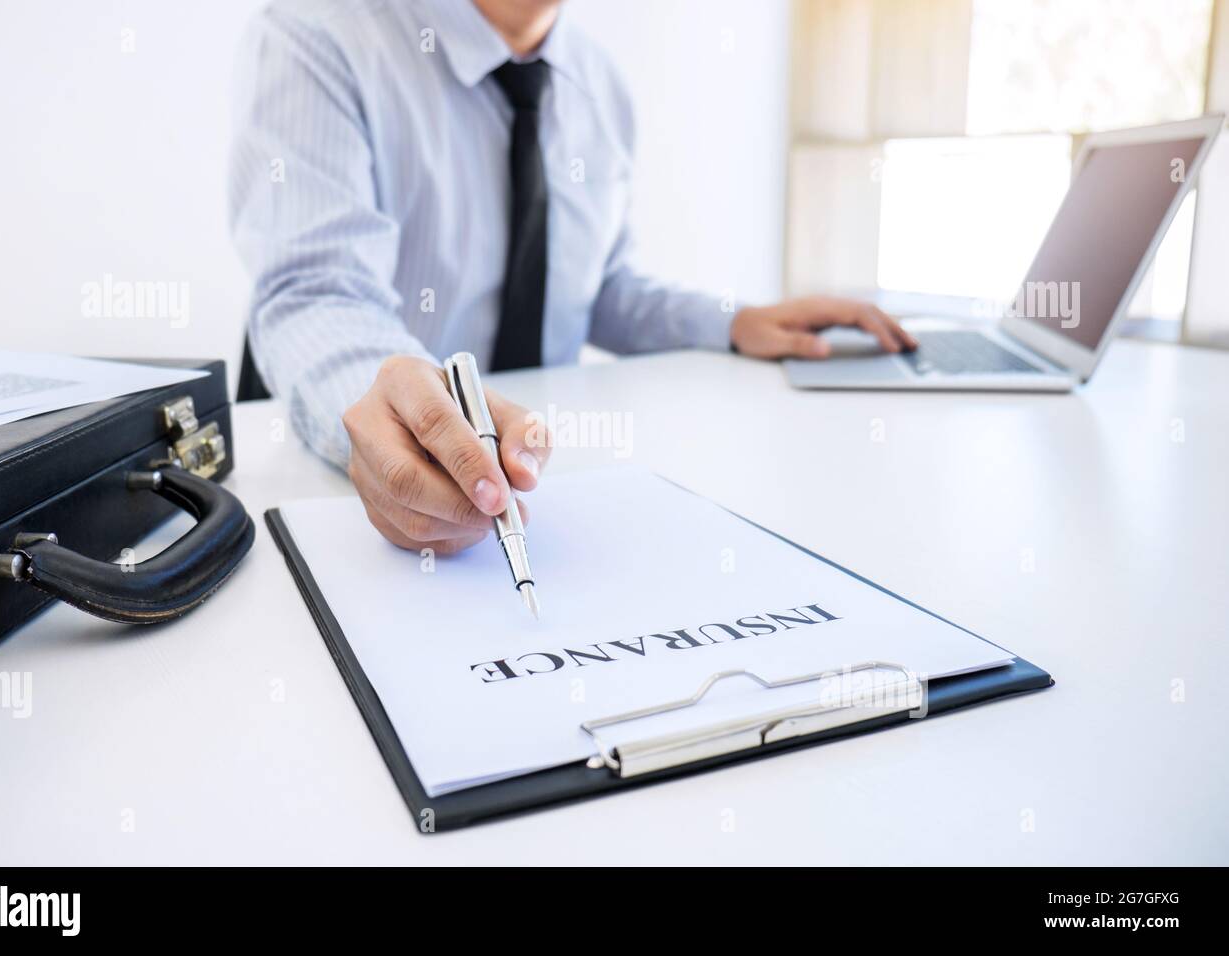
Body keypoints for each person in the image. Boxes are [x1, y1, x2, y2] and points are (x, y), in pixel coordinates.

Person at [229, 0, 915, 554]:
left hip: (540, 495)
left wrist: (732, 321)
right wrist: (399, 416)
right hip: (337, 504)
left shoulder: (599, 83)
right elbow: (317, 292)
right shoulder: (318, 35)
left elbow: (598, 288)